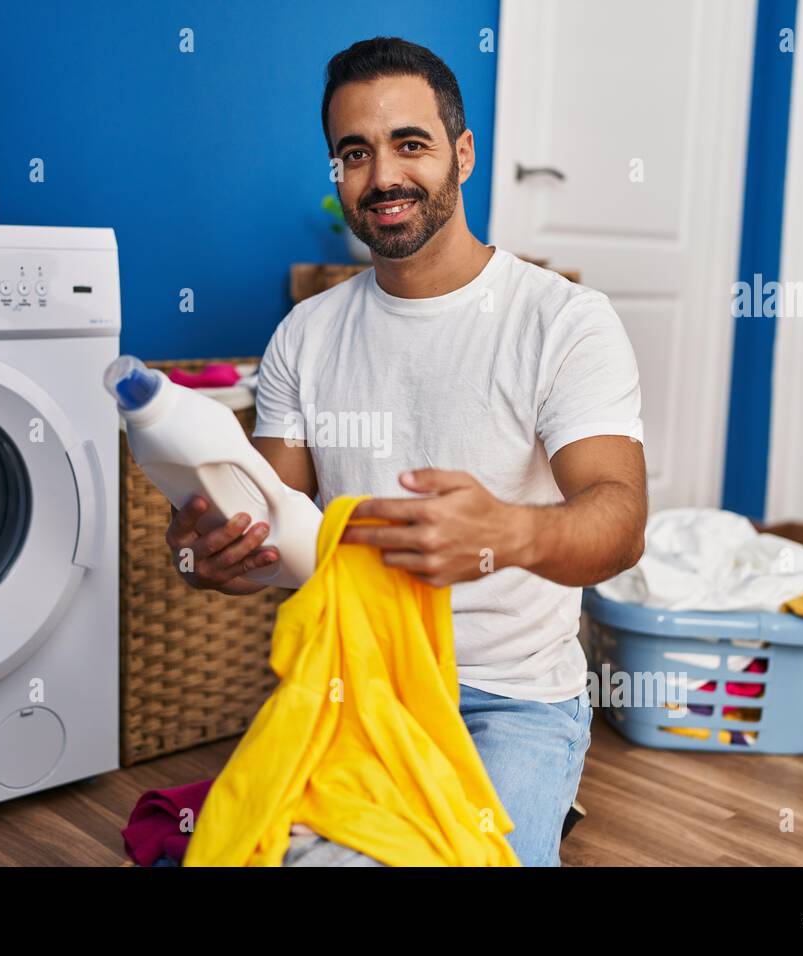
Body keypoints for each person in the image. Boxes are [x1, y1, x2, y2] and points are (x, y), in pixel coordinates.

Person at [166, 36, 647, 867]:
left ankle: (522, 796)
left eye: (409, 144)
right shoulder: (305, 337)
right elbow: (274, 529)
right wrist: (207, 553)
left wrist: (512, 533)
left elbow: (621, 519)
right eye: (355, 153)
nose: (382, 175)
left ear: (461, 154)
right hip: (355, 683)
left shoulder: (565, 321)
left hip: (512, 702)